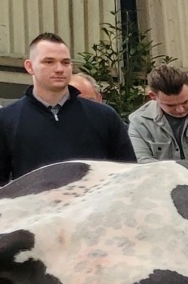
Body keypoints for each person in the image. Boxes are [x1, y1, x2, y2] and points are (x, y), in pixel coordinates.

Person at [0, 33, 136, 183]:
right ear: (30, 66)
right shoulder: (6, 120)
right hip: (33, 205)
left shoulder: (104, 116)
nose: (59, 69)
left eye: (65, 62)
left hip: (94, 205)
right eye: (49, 62)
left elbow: (129, 175)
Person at [127, 64, 188, 163]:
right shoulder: (139, 122)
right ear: (153, 96)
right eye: (170, 105)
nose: (180, 110)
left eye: (185, 102)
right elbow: (142, 162)